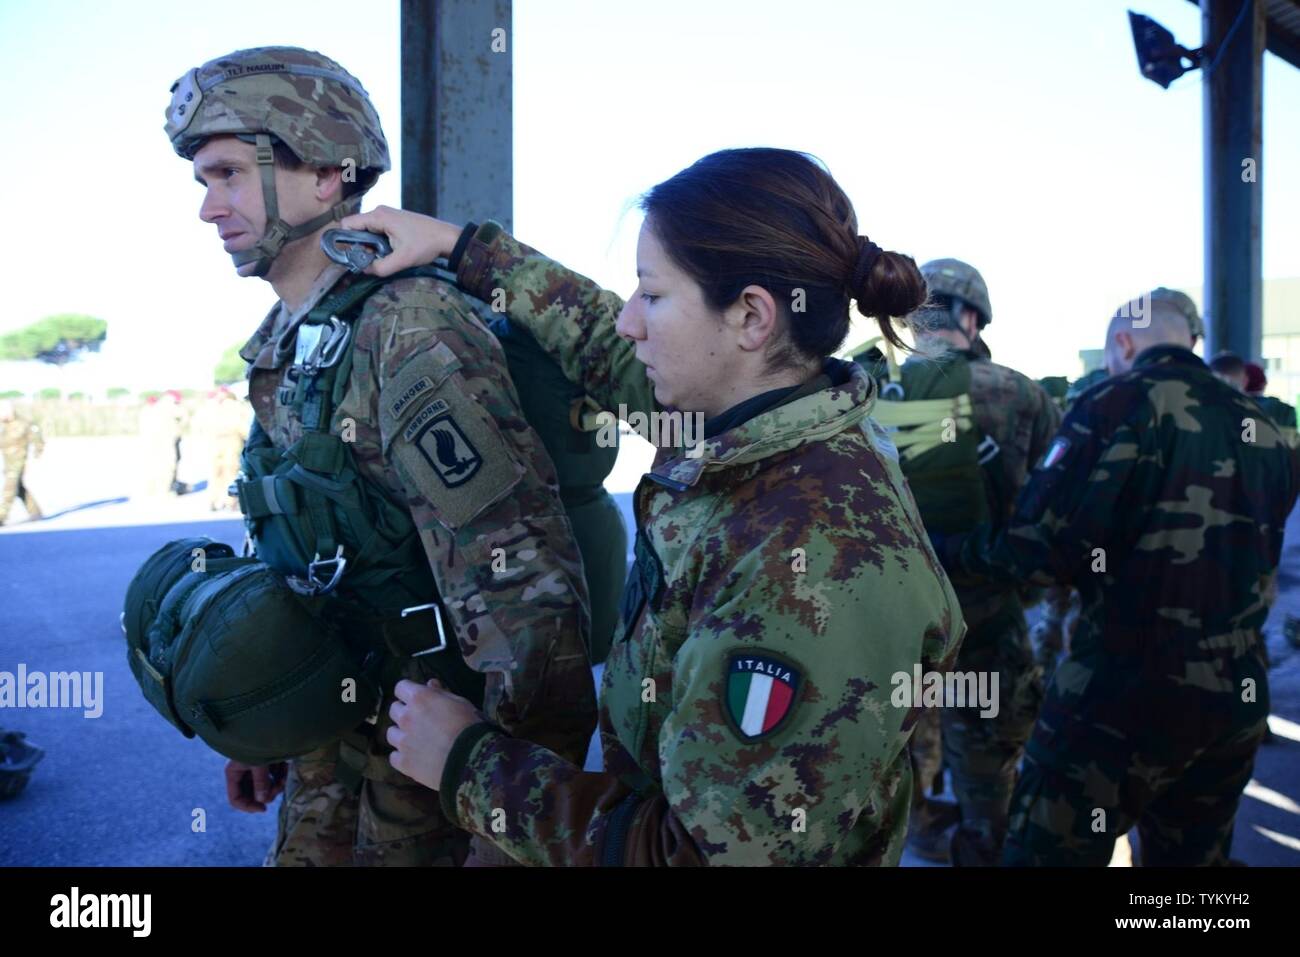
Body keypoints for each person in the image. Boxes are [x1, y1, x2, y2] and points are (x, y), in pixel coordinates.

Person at [345, 147, 966, 866]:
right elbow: (600, 342)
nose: (632, 321)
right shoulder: (751, 417)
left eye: (653, 294)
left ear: (752, 317)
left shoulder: (812, 567)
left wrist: (465, 762)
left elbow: (693, 856)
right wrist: (462, 248)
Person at [165, 46, 596, 866]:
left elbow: (531, 602)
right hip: (333, 748)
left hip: (425, 781)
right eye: (202, 182)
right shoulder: (292, 344)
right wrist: (274, 719)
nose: (208, 207)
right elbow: (315, 561)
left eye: (226, 174)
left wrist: (508, 834)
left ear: (327, 173)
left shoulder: (409, 329)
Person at [935, 291, 1299, 865]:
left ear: (1124, 344)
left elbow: (1039, 547)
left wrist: (945, 548)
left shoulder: (1114, 402)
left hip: (1123, 695)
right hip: (1235, 696)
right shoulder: (1267, 426)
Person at [872, 259, 1057, 865]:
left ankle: (917, 833)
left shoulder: (864, 387)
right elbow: (1048, 515)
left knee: (892, 769)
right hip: (989, 617)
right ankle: (978, 845)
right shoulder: (1020, 393)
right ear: (972, 317)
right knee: (991, 777)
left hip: (892, 627)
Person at [0, 400, 44, 525]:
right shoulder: (3, 425)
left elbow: (38, 440)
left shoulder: (24, 424)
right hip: (7, 463)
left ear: (11, 410)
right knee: (18, 488)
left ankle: (1, 516)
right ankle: (35, 512)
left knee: (9, 488)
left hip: (19, 462)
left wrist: (36, 456)